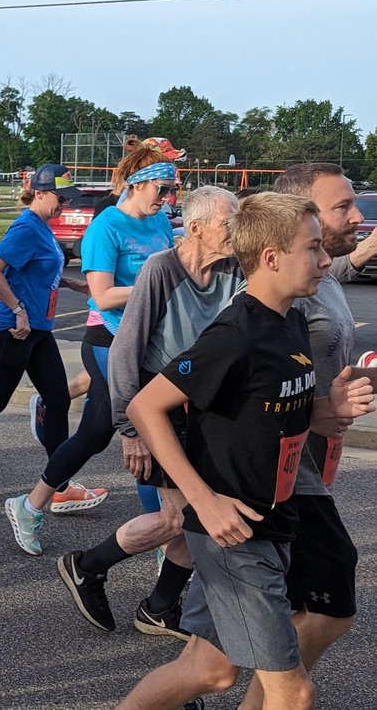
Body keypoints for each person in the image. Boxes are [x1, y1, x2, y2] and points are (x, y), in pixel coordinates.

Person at [116, 192, 374, 710]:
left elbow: (280, 415)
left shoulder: (292, 321)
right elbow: (147, 408)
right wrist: (202, 501)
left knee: (207, 671)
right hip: (233, 532)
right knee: (293, 693)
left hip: (275, 518)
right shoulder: (236, 334)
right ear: (272, 258)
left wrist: (331, 406)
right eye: (313, 249)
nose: (327, 261)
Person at [57, 186, 243, 637]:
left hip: (201, 407)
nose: (238, 232)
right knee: (178, 516)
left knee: (186, 521)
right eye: (228, 223)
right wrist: (129, 427)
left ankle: (159, 606)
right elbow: (125, 352)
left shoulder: (235, 268)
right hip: (157, 408)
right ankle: (88, 565)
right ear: (196, 228)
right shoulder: (162, 270)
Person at [230, 163, 376, 710]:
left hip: (306, 461)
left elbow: (332, 372)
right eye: (342, 207)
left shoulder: (323, 275)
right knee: (332, 595)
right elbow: (213, 388)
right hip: (278, 472)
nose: (357, 216)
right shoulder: (285, 298)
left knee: (222, 654)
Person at [5, 145, 176, 555]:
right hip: (109, 340)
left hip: (150, 340)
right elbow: (102, 294)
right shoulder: (107, 227)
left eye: (171, 190)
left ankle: (32, 505)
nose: (166, 198)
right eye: (161, 188)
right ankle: (164, 535)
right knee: (133, 431)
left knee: (105, 432)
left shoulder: (161, 225)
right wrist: (153, 288)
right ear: (136, 183)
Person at [0, 167, 90, 485]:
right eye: (60, 197)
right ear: (39, 193)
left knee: (57, 400)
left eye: (68, 199)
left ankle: (59, 485)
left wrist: (71, 283)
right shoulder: (27, 226)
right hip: (15, 330)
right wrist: (18, 310)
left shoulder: (43, 227)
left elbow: (35, 273)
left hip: (38, 331)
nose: (64, 205)